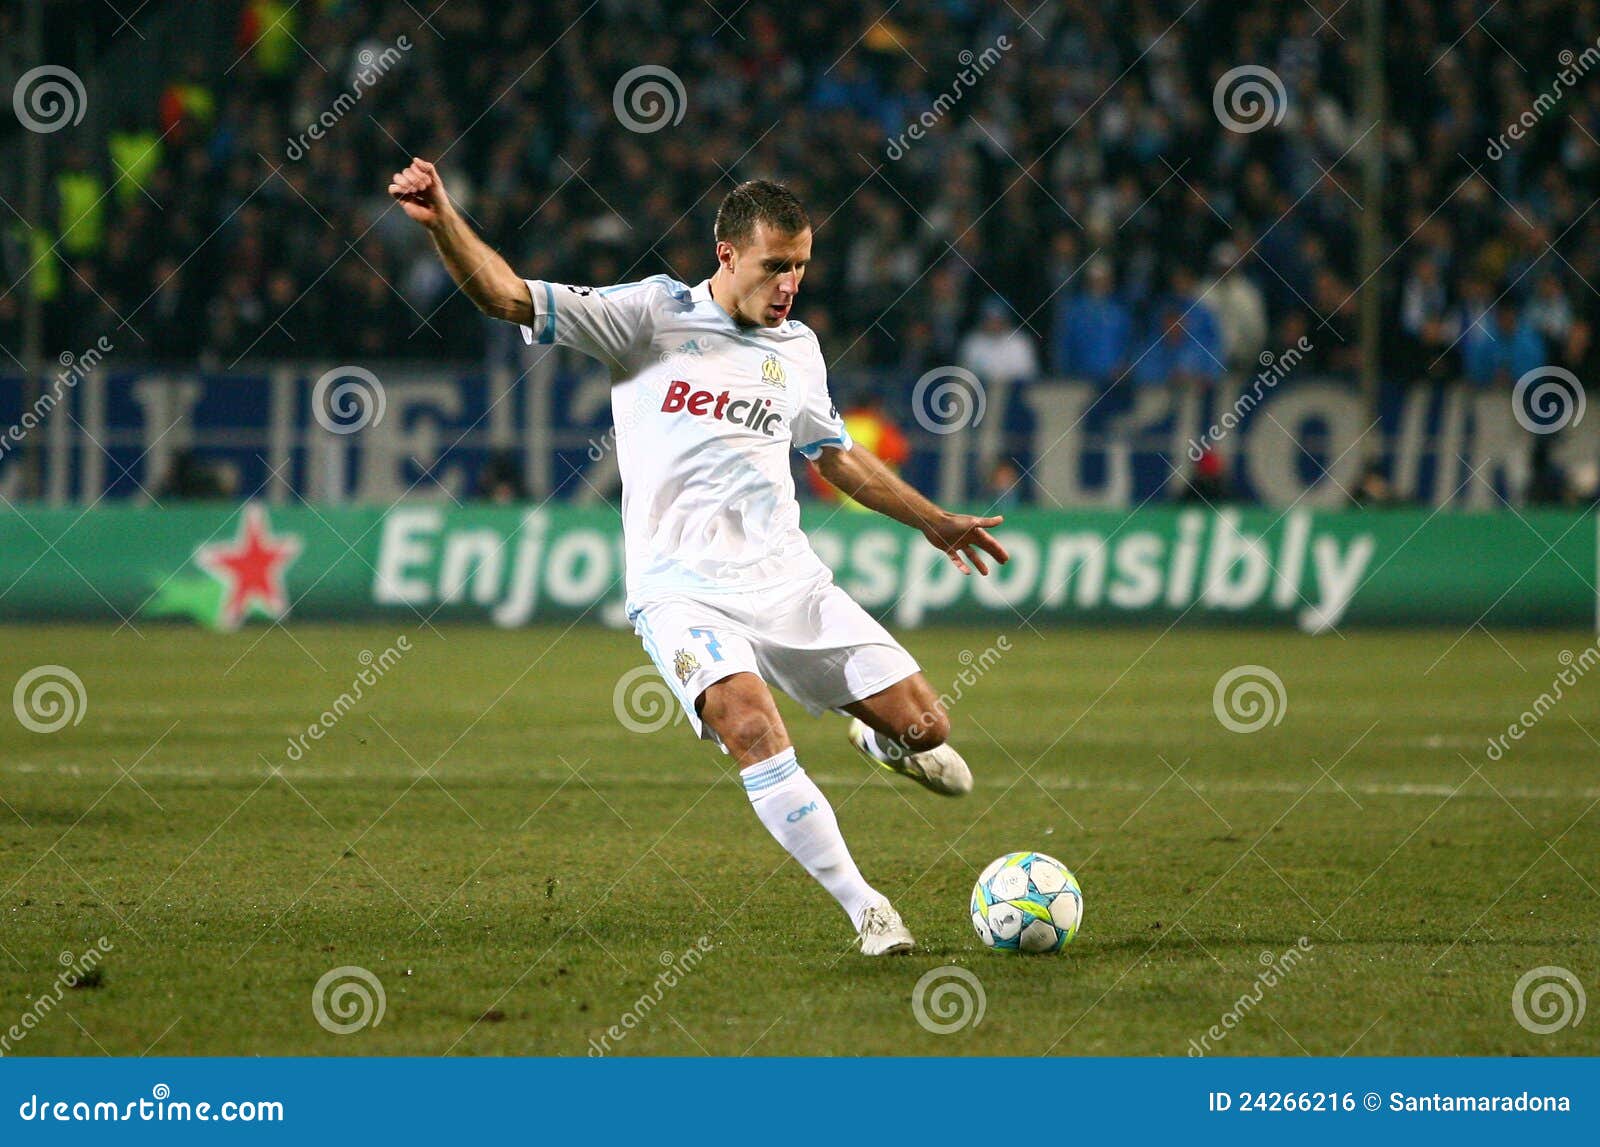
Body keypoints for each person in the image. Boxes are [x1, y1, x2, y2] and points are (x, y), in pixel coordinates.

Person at [388, 157, 1009, 956]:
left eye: (801, 267)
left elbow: (834, 454)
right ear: (726, 256)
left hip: (787, 580)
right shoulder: (651, 315)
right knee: (752, 725)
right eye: (774, 266)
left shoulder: (800, 349)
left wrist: (932, 520)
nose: (789, 284)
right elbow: (507, 294)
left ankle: (883, 741)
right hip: (680, 590)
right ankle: (867, 908)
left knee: (929, 726)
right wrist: (443, 216)